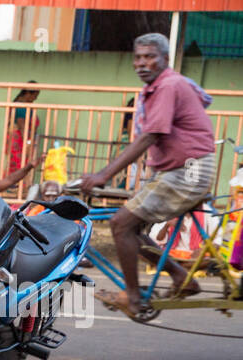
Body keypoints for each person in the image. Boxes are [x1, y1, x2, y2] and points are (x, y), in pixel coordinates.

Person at [78, 33, 217, 317]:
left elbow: (149, 136)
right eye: (138, 57)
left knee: (120, 224)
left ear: (165, 59)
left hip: (188, 170)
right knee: (130, 228)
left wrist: (104, 174)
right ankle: (180, 277)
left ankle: (132, 297)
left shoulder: (168, 85)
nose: (142, 63)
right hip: (178, 169)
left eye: (150, 57)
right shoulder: (157, 87)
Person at [7, 82, 39, 175]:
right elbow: (23, 126)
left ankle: (15, 187)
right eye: (35, 95)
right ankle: (15, 187)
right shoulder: (21, 106)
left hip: (21, 139)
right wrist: (28, 142)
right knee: (20, 165)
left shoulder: (23, 105)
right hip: (21, 140)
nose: (35, 98)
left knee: (19, 164)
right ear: (28, 93)